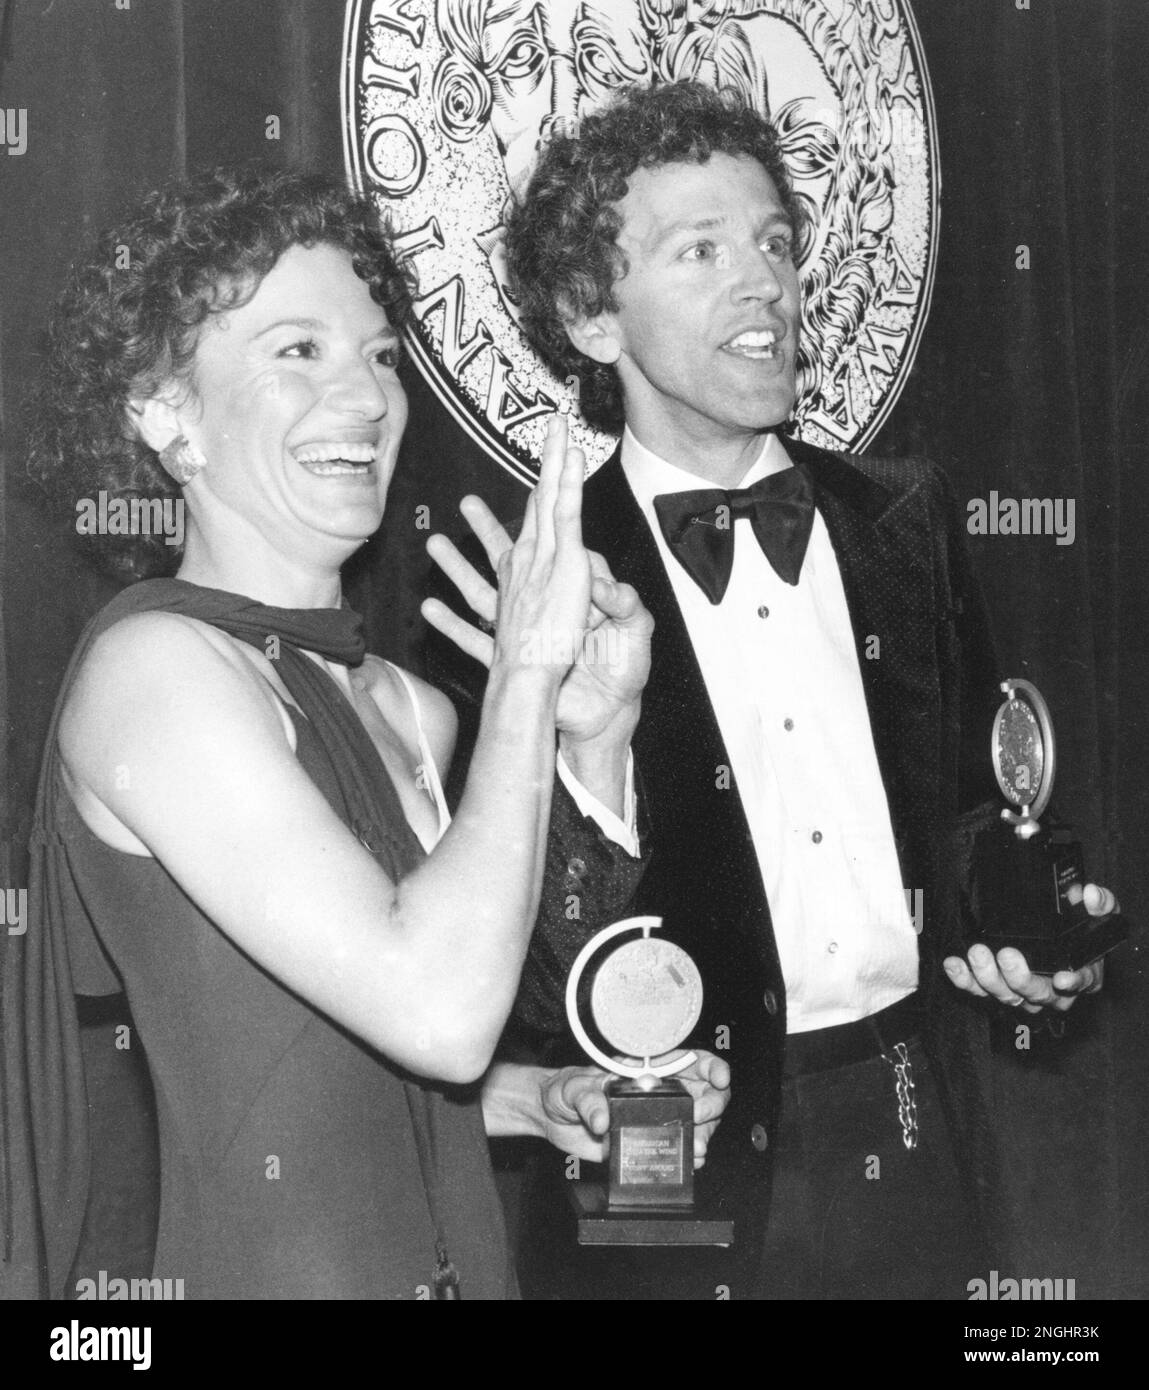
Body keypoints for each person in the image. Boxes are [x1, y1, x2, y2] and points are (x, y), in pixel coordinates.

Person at [426, 80, 1118, 1300]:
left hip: (910, 1114)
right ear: (595, 319)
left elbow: (958, 818)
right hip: (662, 1147)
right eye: (702, 250)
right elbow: (503, 974)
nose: (765, 283)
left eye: (775, 244)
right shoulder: (537, 583)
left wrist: (1023, 926)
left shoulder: (904, 523)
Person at [0, 165, 729, 1301]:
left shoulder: (407, 703)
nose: (369, 396)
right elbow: (435, 1009)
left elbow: (415, 1019)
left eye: (381, 357)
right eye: (298, 351)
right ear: (164, 413)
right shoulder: (153, 671)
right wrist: (528, 681)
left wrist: (591, 741)